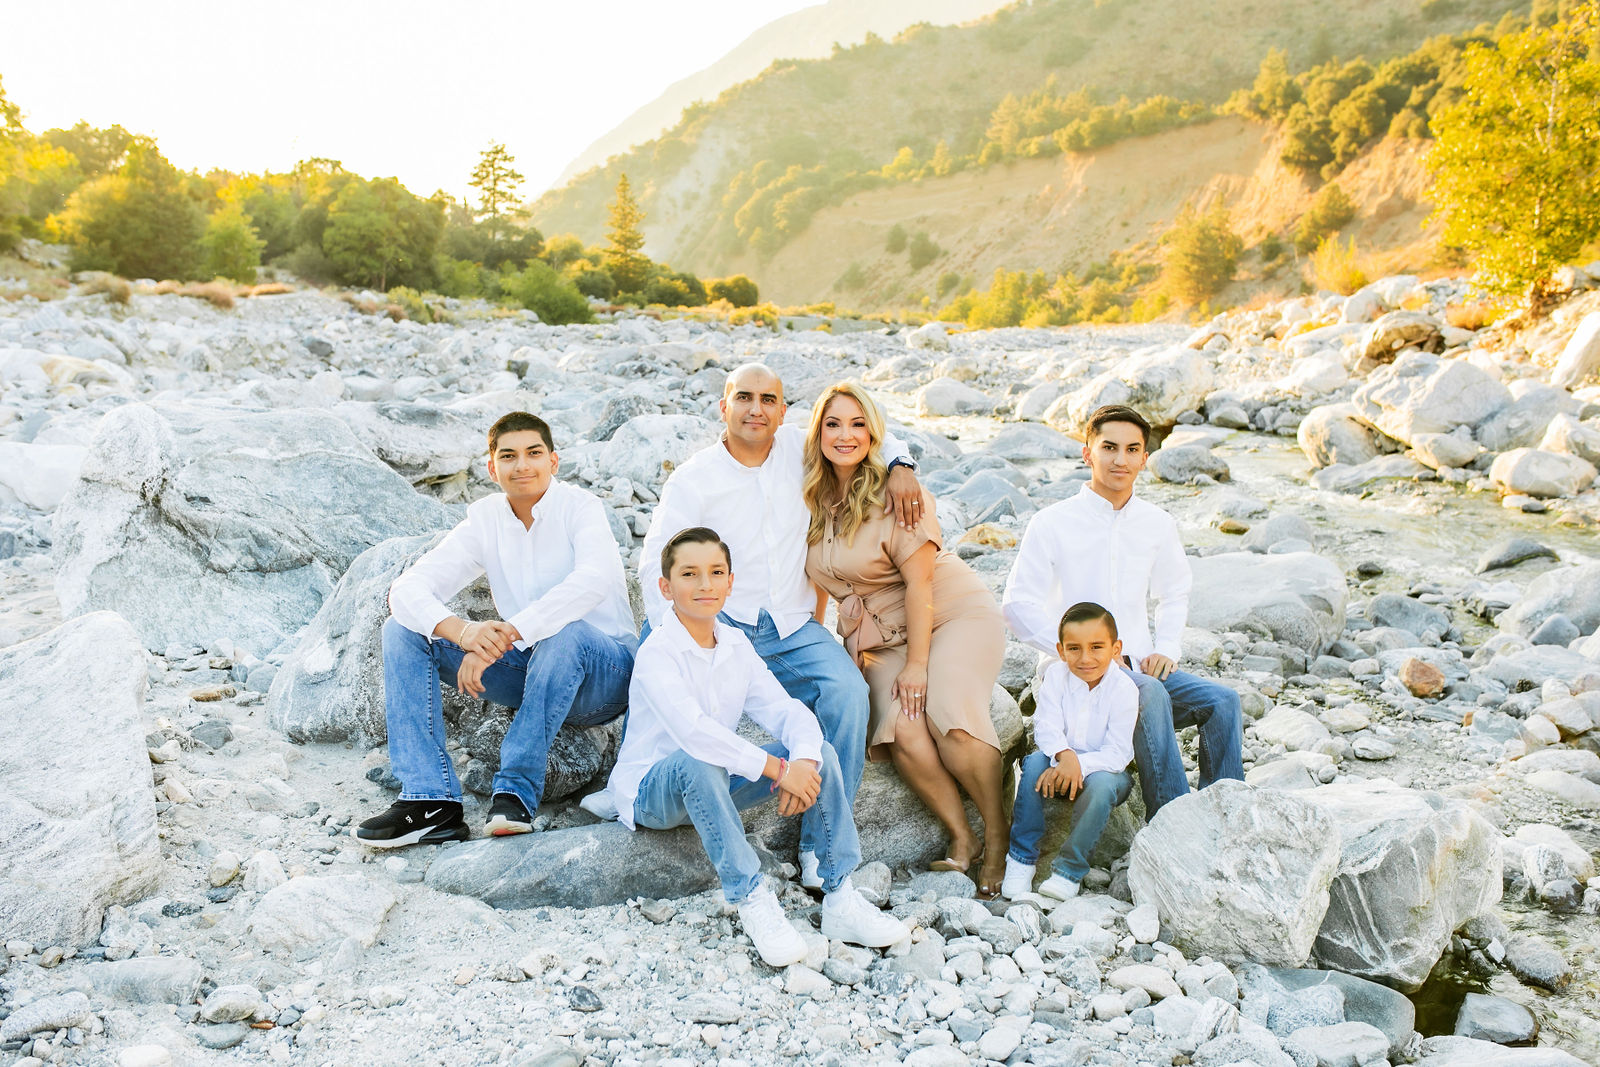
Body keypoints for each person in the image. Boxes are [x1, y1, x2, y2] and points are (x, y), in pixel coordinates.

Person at [639, 363, 924, 889]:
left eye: (769, 399)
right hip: (724, 621)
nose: (756, 409)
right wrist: (676, 635)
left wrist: (901, 463)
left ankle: (819, 847)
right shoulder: (694, 478)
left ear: (784, 410)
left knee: (847, 694)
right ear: (723, 407)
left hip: (791, 625)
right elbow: (655, 559)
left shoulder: (800, 446)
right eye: (743, 398)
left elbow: (868, 427)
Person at [603, 527, 909, 966]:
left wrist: (801, 762)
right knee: (700, 760)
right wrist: (780, 772)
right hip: (655, 793)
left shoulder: (735, 644)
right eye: (690, 574)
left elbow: (786, 711)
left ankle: (840, 893)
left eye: (715, 573)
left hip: (715, 783)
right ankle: (751, 898)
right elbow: (696, 734)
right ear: (666, 587)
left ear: (731, 583)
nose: (704, 585)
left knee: (819, 750)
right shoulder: (658, 652)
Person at [352, 412, 637, 848]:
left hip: (604, 677)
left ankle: (515, 790)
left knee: (567, 633)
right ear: (492, 468)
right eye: (509, 456)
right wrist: (463, 633)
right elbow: (406, 590)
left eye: (533, 454)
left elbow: (592, 583)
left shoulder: (581, 508)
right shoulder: (485, 520)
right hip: (532, 672)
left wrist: (505, 634)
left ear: (554, 461)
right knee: (402, 631)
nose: (522, 465)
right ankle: (431, 802)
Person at [801, 382, 1010, 898]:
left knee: (948, 718)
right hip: (879, 638)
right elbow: (816, 587)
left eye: (857, 424)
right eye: (833, 424)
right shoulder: (808, 494)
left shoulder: (898, 493)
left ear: (874, 433)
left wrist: (918, 666)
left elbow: (919, 585)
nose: (845, 435)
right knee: (904, 735)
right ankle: (963, 838)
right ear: (817, 433)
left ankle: (1000, 835)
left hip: (949, 613)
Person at [1001, 404, 1243, 818]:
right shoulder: (1052, 522)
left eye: (1133, 450)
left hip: (1139, 666)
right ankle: (1175, 821)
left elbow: (1175, 591)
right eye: (1109, 447)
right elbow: (1017, 604)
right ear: (1087, 453)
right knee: (1146, 693)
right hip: (1075, 679)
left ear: (1144, 459)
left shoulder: (1157, 523)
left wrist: (1166, 647)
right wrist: (1077, 651)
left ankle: (1228, 812)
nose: (1121, 459)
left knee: (1223, 702)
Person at [1001, 602, 1137, 901]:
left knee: (1101, 785)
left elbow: (1118, 752)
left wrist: (1077, 764)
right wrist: (1065, 756)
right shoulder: (1057, 678)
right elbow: (1046, 726)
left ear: (1116, 649)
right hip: (1057, 759)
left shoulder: (1124, 689)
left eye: (1097, 647)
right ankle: (1021, 860)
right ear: (1061, 651)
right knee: (1034, 764)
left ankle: (1069, 871)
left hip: (1107, 772)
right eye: (1074, 648)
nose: (1085, 658)